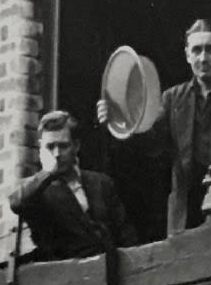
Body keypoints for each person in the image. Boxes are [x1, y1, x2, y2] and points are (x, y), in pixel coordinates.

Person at [97, 18, 211, 234]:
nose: (203, 58)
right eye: (196, 50)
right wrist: (122, 121)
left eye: (210, 49)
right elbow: (153, 143)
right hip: (185, 215)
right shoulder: (172, 98)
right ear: (187, 55)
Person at [9, 109, 137, 261]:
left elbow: (126, 236)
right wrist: (48, 173)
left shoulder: (101, 183)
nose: (56, 153)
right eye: (50, 147)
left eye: (63, 146)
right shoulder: (38, 190)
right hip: (65, 277)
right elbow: (17, 202)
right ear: (41, 148)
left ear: (76, 146)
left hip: (110, 273)